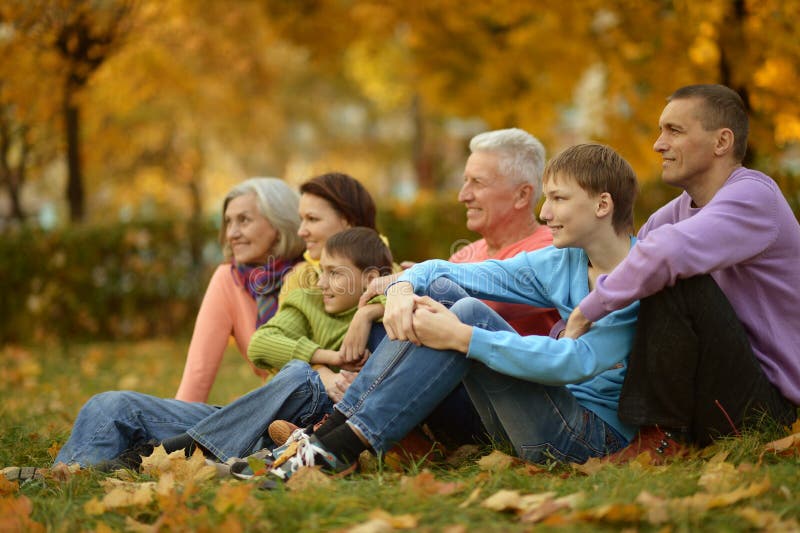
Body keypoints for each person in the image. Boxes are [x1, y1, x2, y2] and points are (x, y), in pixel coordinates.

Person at [266, 143, 642, 480]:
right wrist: (401, 287)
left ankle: (337, 446)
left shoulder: (641, 276)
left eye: (558, 199)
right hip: (538, 414)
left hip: (589, 439)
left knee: (467, 315)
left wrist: (461, 336)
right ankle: (329, 436)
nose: (545, 213)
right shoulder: (563, 261)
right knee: (448, 295)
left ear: (602, 205)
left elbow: (575, 362)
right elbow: (449, 273)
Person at [564, 84, 800, 454]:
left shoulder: (756, 196)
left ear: (722, 142)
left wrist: (588, 310)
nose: (658, 144)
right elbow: (630, 273)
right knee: (650, 273)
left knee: (672, 277)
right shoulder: (672, 215)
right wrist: (561, 337)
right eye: (660, 131)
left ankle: (660, 437)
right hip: (706, 386)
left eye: (674, 131)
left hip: (763, 406)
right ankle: (638, 429)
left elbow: (663, 256)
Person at [48, 228, 393, 471]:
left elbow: (413, 288)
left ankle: (162, 454)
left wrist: (369, 310)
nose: (321, 282)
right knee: (112, 405)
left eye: (334, 274)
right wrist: (327, 359)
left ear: (370, 276)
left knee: (301, 378)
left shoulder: (391, 305)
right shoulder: (306, 299)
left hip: (307, 432)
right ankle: (71, 474)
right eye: (322, 271)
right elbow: (262, 344)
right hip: (250, 419)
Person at [175, 177, 305, 403]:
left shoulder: (315, 270)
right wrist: (170, 430)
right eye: (228, 222)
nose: (231, 234)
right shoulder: (228, 279)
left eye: (244, 220)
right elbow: (198, 375)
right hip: (277, 412)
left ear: (279, 223)